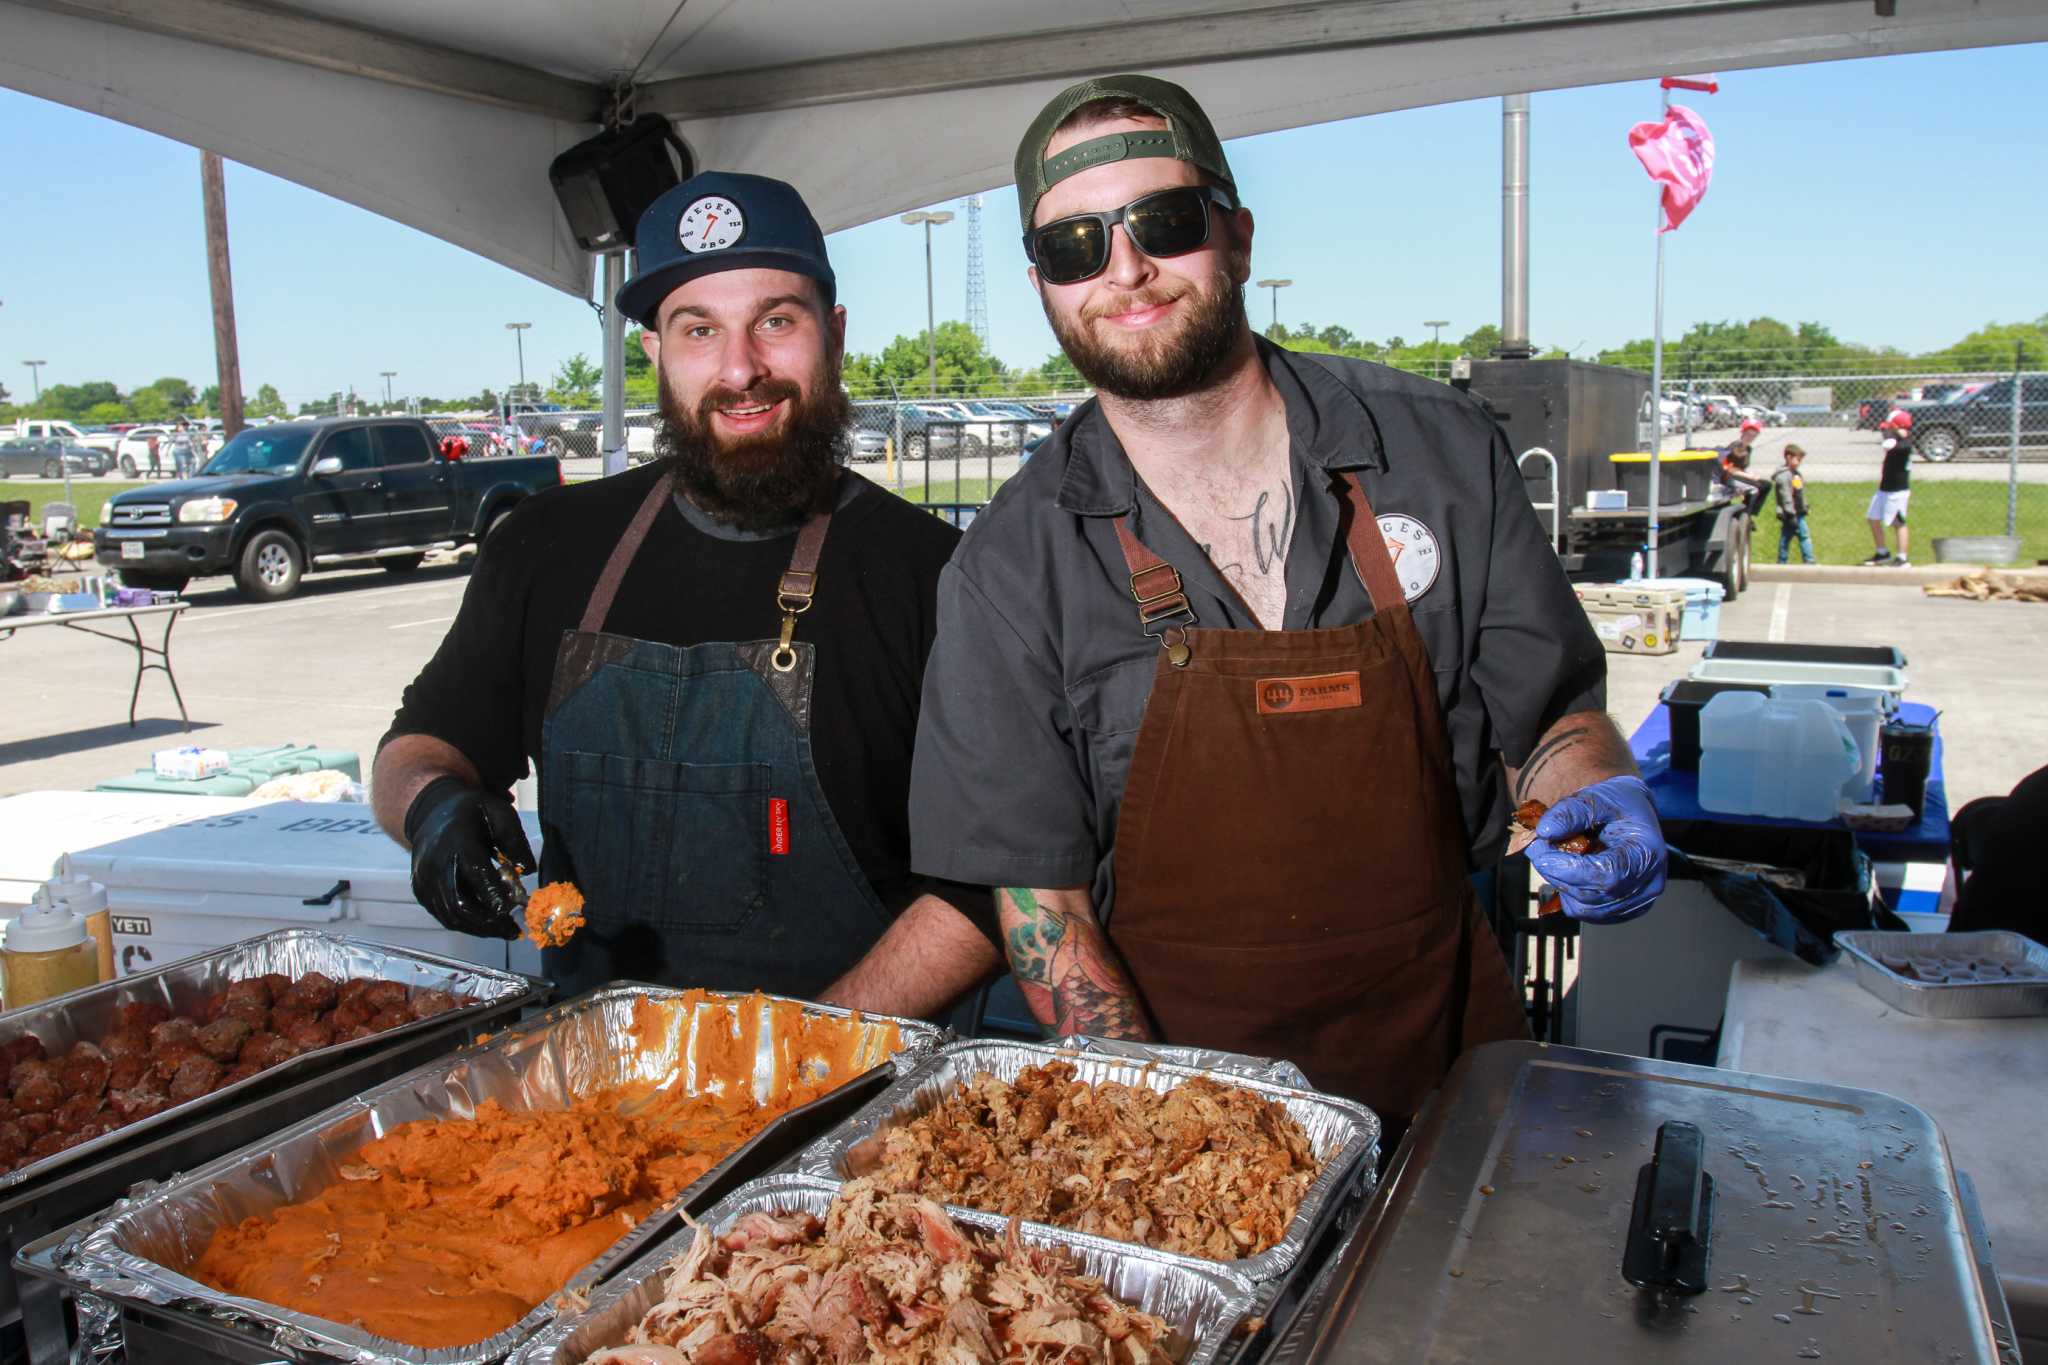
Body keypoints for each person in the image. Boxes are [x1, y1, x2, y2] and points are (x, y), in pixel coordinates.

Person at [908, 75, 1666, 1126]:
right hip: (1185, 1120)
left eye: (1161, 224)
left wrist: (1592, 787)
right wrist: (1180, 1148)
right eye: (1073, 246)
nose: (1123, 269)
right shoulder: (1008, 566)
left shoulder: (1437, 454)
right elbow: (1046, 911)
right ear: (1042, 283)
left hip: (1447, 1079)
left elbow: (1548, 723)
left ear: (1238, 235)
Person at [374, 172, 1000, 1015]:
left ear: (835, 333)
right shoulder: (544, 548)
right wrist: (435, 810)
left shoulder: (934, 575)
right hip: (596, 1083)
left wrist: (810, 1056)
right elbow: (418, 745)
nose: (741, 369)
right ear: (654, 352)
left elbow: (992, 886)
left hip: (856, 1096)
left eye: (777, 321)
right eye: (698, 329)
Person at [1865, 409, 1913, 566]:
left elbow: (1892, 445)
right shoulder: (1895, 438)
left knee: (1898, 523)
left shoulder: (1905, 444)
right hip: (1884, 488)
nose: (1887, 429)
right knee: (1873, 518)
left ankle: (1902, 558)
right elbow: (1887, 439)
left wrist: (1896, 435)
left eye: (1891, 426)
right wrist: (1892, 433)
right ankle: (1882, 552)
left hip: (1897, 491)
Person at [1771, 443, 1815, 564]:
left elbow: (1800, 493)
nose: (1800, 462)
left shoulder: (1796, 474)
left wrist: (1805, 506)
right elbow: (1786, 497)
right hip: (1790, 514)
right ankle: (1809, 560)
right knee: (1803, 536)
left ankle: (1782, 561)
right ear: (1789, 457)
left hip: (1798, 512)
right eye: (1798, 459)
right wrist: (1790, 514)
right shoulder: (1783, 477)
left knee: (1787, 537)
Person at [1717, 418, 1769, 514]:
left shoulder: (1748, 448)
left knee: (1766, 485)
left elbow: (1742, 467)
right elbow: (1728, 468)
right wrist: (1748, 477)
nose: (1750, 437)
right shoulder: (1736, 447)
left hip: (1738, 476)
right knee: (1755, 488)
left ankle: (1751, 513)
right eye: (1748, 434)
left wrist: (1750, 475)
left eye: (1754, 435)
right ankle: (1745, 514)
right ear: (1743, 432)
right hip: (1727, 477)